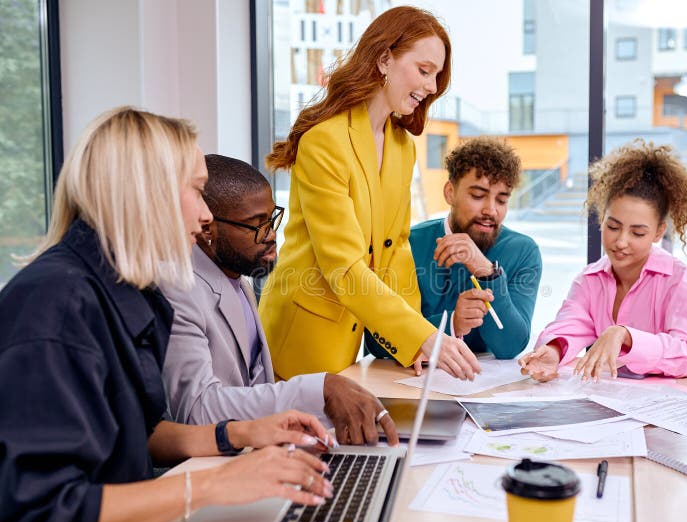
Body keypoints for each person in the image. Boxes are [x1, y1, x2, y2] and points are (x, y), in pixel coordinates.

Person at [0, 108, 336, 522]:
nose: (206, 215)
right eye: (197, 192)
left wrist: (246, 433)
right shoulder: (56, 308)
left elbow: (141, 435)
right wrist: (214, 484)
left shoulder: (128, 290)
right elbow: (40, 511)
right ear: (147, 193)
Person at [260, 6, 480, 381]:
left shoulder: (400, 146)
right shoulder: (325, 142)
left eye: (436, 77)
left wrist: (410, 343)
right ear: (384, 59)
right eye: (424, 70)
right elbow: (343, 268)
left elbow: (396, 252)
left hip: (348, 342)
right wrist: (425, 338)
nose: (430, 86)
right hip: (299, 339)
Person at [161, 154, 399, 446]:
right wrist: (318, 389)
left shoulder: (236, 276)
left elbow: (253, 387)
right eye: (256, 225)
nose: (272, 235)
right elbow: (197, 410)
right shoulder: (180, 290)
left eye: (272, 218)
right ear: (208, 227)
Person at [518, 140, 687, 382]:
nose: (621, 241)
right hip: (621, 395)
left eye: (638, 233)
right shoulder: (589, 279)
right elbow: (568, 324)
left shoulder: (677, 278)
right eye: (613, 226)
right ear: (602, 219)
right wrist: (553, 351)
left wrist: (626, 336)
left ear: (658, 232)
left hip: (682, 394)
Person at [402, 137, 541, 367]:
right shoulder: (409, 243)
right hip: (410, 383)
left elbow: (511, 346)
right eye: (477, 196)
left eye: (502, 200)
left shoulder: (524, 251)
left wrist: (487, 272)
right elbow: (378, 341)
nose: (491, 210)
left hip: (481, 389)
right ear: (450, 193)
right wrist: (452, 323)